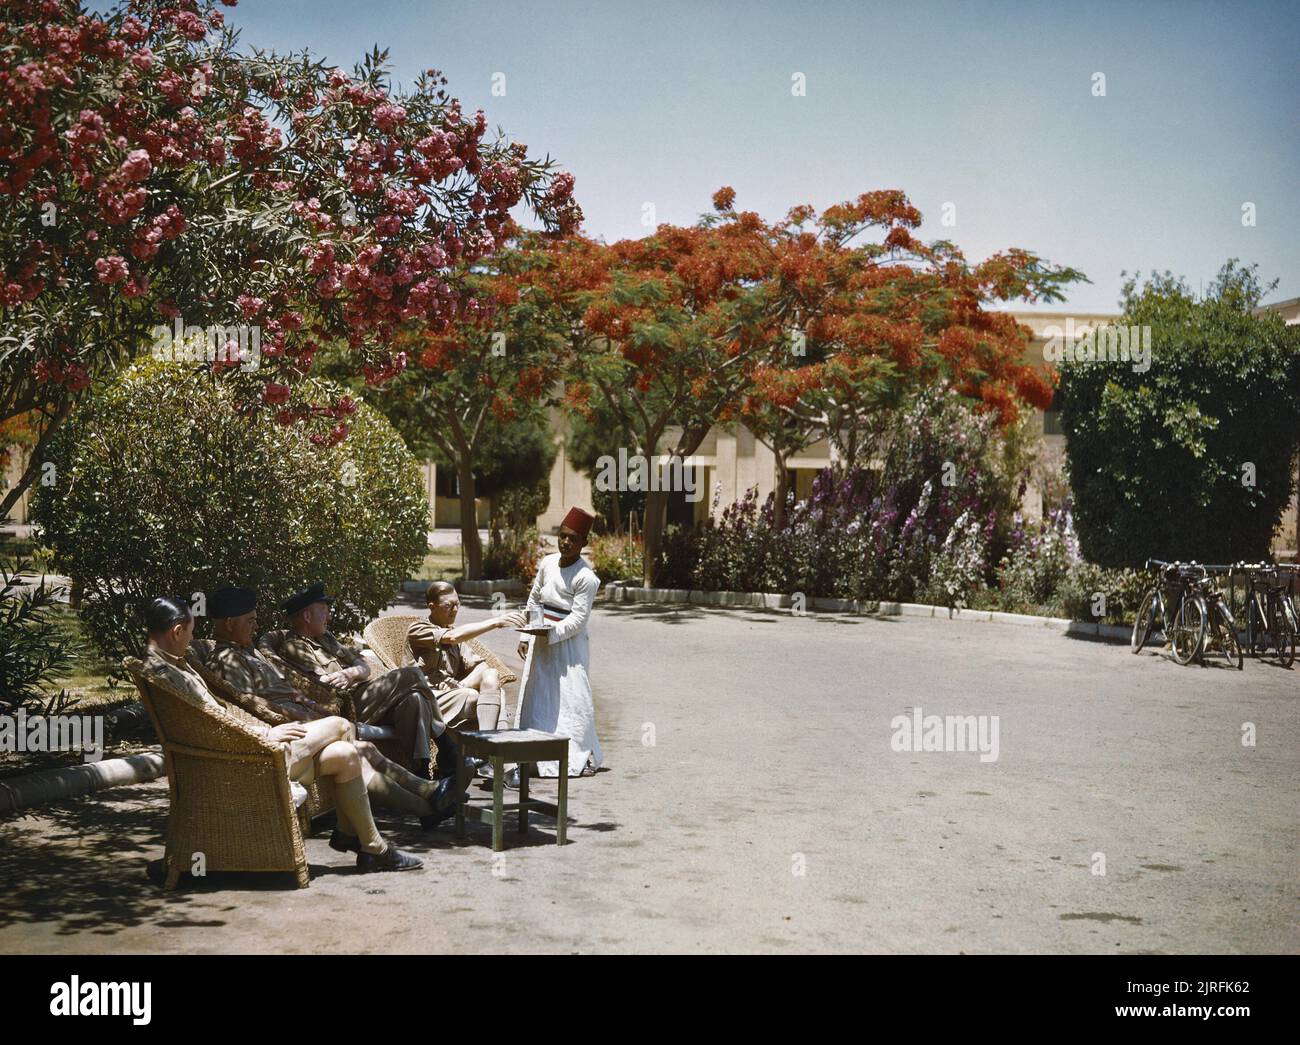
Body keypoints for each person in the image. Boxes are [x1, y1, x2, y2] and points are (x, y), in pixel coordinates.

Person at [141, 596, 421, 872]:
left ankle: (372, 848)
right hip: (244, 756)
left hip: (247, 746)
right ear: (177, 631)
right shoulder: (166, 674)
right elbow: (208, 726)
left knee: (346, 754)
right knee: (340, 725)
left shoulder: (170, 666)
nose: (192, 639)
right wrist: (262, 734)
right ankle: (350, 834)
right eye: (190, 632)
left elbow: (211, 719)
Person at [201, 586, 461, 829]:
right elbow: (250, 702)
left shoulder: (251, 652)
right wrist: (306, 713)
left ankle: (427, 796)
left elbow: (289, 689)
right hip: (295, 727)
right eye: (250, 620)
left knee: (371, 743)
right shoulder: (227, 659)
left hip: (317, 712)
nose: (256, 625)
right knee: (408, 678)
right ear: (229, 623)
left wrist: (312, 700)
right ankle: (432, 790)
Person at [276, 583, 465, 780]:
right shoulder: (294, 647)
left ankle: (421, 772)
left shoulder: (326, 638)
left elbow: (363, 666)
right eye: (324, 612)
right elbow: (324, 683)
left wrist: (351, 673)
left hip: (364, 694)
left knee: (415, 699)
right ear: (307, 616)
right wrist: (356, 672)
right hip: (346, 705)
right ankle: (447, 747)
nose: (329, 617)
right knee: (412, 674)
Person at [511, 506, 604, 785]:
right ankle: (534, 754)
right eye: (562, 536)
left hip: (568, 646)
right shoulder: (548, 563)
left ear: (583, 544)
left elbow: (578, 619)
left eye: (573, 539)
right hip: (541, 639)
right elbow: (534, 599)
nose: (565, 543)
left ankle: (580, 754)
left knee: (572, 699)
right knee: (540, 693)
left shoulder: (586, 577)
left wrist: (549, 633)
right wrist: (527, 635)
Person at [408, 580, 526, 734]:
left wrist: (461, 684)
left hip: (453, 693)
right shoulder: (418, 629)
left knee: (491, 676)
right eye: (448, 606)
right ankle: (491, 746)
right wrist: (496, 622)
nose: (455, 610)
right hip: (424, 696)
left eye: (457, 604)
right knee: (475, 696)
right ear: (432, 607)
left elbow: (482, 666)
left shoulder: (454, 636)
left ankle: (492, 743)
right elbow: (451, 637)